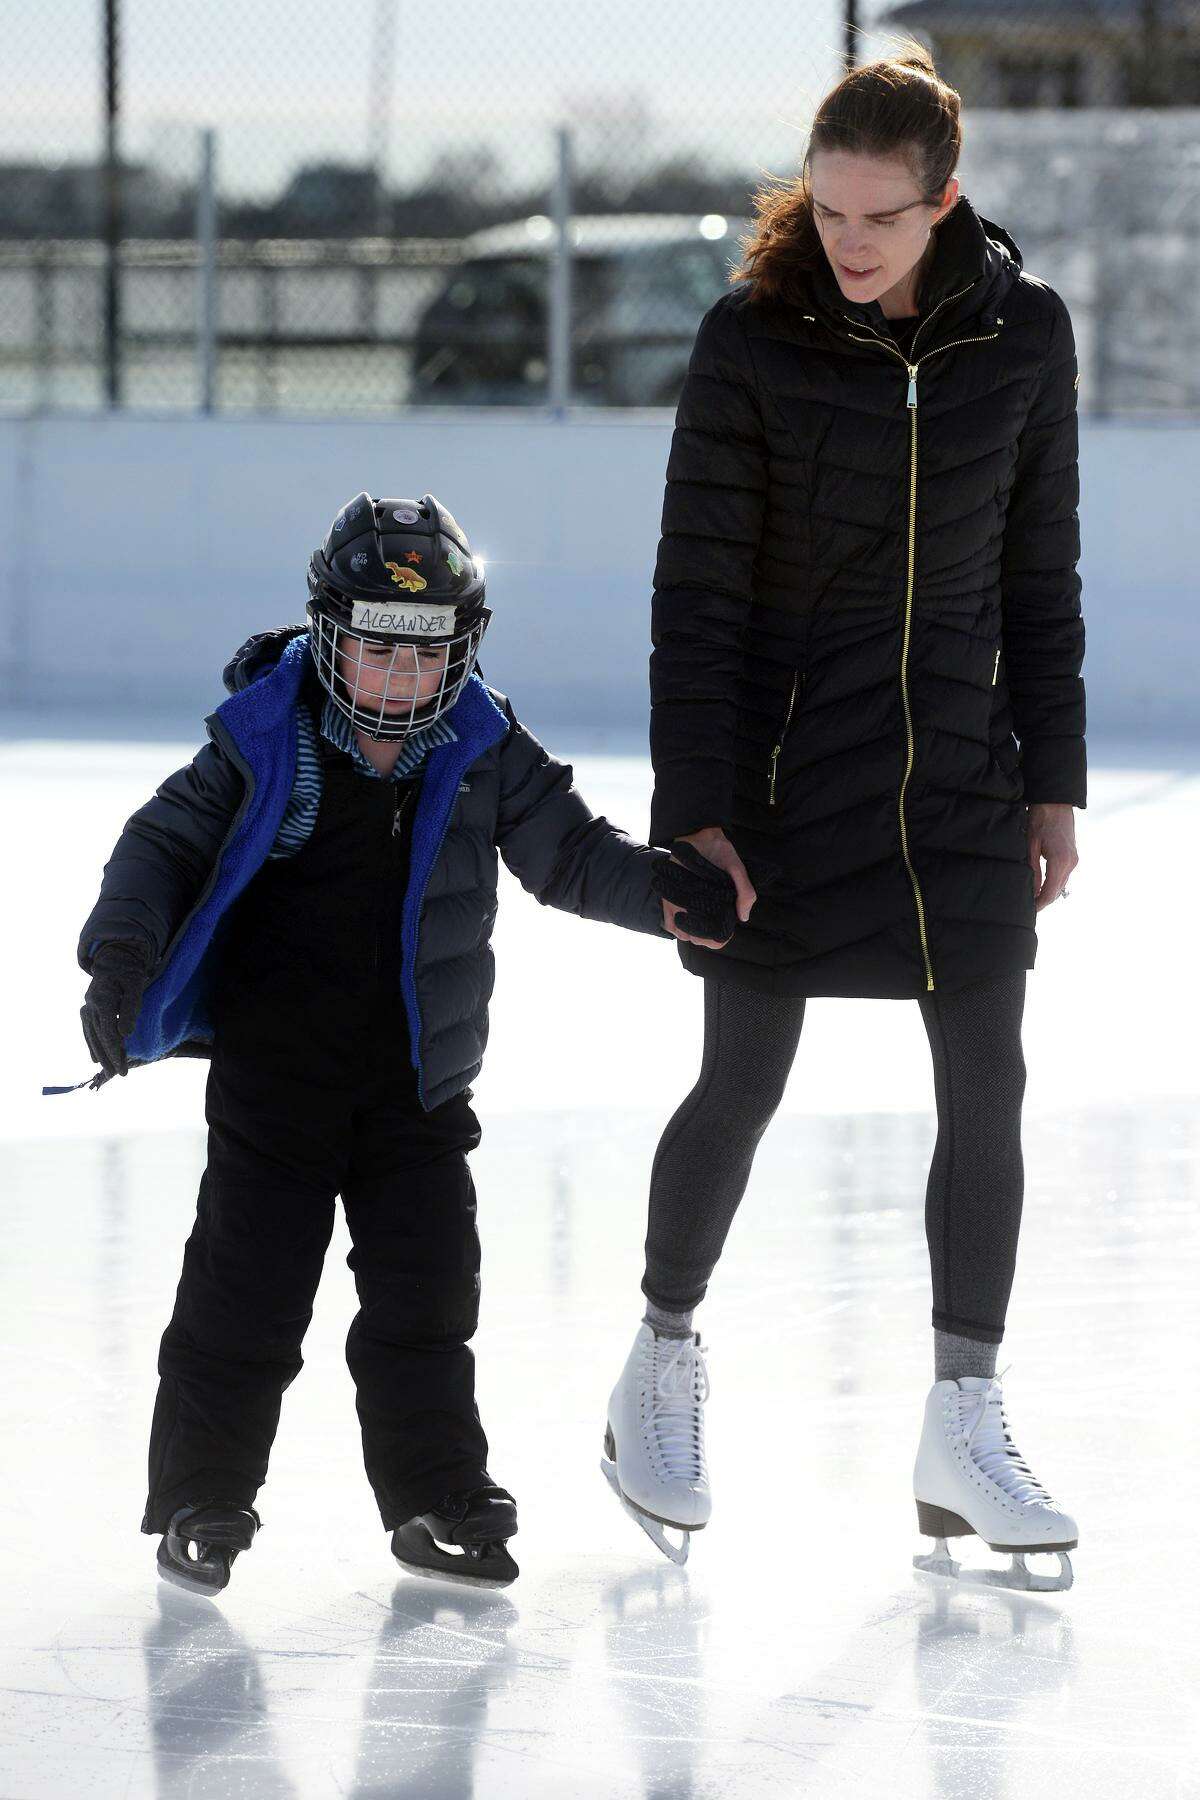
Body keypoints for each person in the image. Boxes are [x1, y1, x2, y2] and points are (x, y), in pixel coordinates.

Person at [601, 45, 1084, 1592]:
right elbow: (696, 599)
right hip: (784, 785)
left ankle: (965, 1412)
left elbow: (1039, 581)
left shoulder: (1028, 338)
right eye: (826, 211)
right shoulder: (749, 342)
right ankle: (657, 1370)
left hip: (958, 778)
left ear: (947, 203)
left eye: (880, 217)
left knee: (988, 1090)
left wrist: (1053, 780)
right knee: (737, 1081)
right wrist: (702, 811)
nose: (848, 244)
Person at [73, 490, 668, 1596]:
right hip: (276, 1079)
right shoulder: (265, 741)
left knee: (430, 1298)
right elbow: (157, 848)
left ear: (463, 651)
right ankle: (202, 1495)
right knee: (245, 1295)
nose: (399, 683)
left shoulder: (484, 745)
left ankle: (438, 1497)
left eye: (425, 656)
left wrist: (671, 898)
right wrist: (119, 957)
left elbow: (574, 857)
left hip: (418, 1086)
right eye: (374, 653)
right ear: (328, 638)